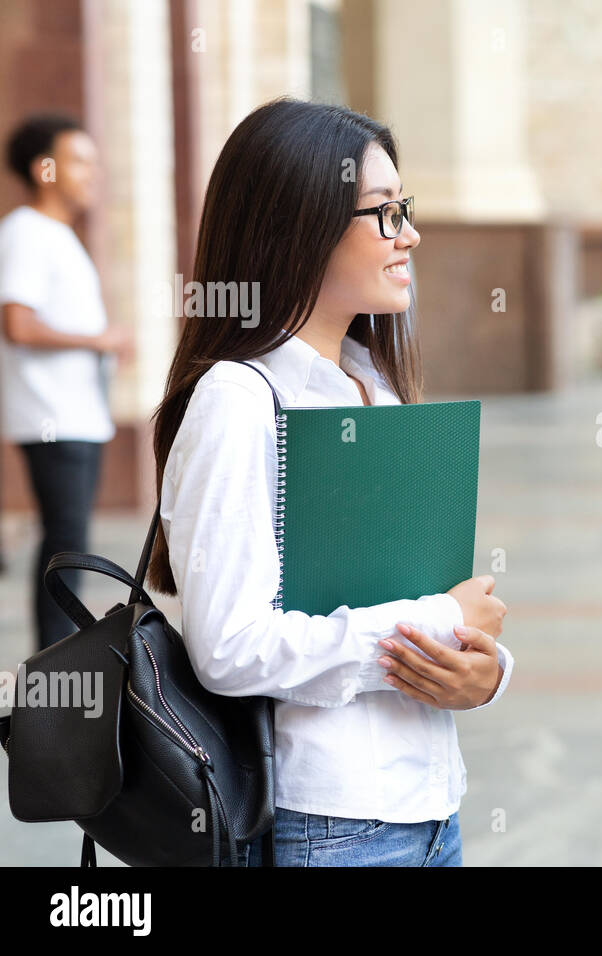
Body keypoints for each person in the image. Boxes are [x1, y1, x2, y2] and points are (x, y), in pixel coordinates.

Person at [144, 98, 512, 866]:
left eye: (402, 208)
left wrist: (480, 672)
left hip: (432, 808)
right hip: (335, 824)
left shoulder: (369, 379)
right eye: (383, 213)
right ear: (299, 225)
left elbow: (405, 594)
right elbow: (229, 648)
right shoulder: (238, 402)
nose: (408, 233)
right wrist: (435, 618)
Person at [0, 113, 134, 650]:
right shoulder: (26, 233)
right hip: (51, 416)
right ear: (44, 169)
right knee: (64, 543)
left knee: (67, 541)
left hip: (76, 414)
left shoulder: (54, 235)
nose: (92, 174)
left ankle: (56, 664)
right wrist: (99, 340)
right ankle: (54, 671)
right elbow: (18, 324)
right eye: (79, 161)